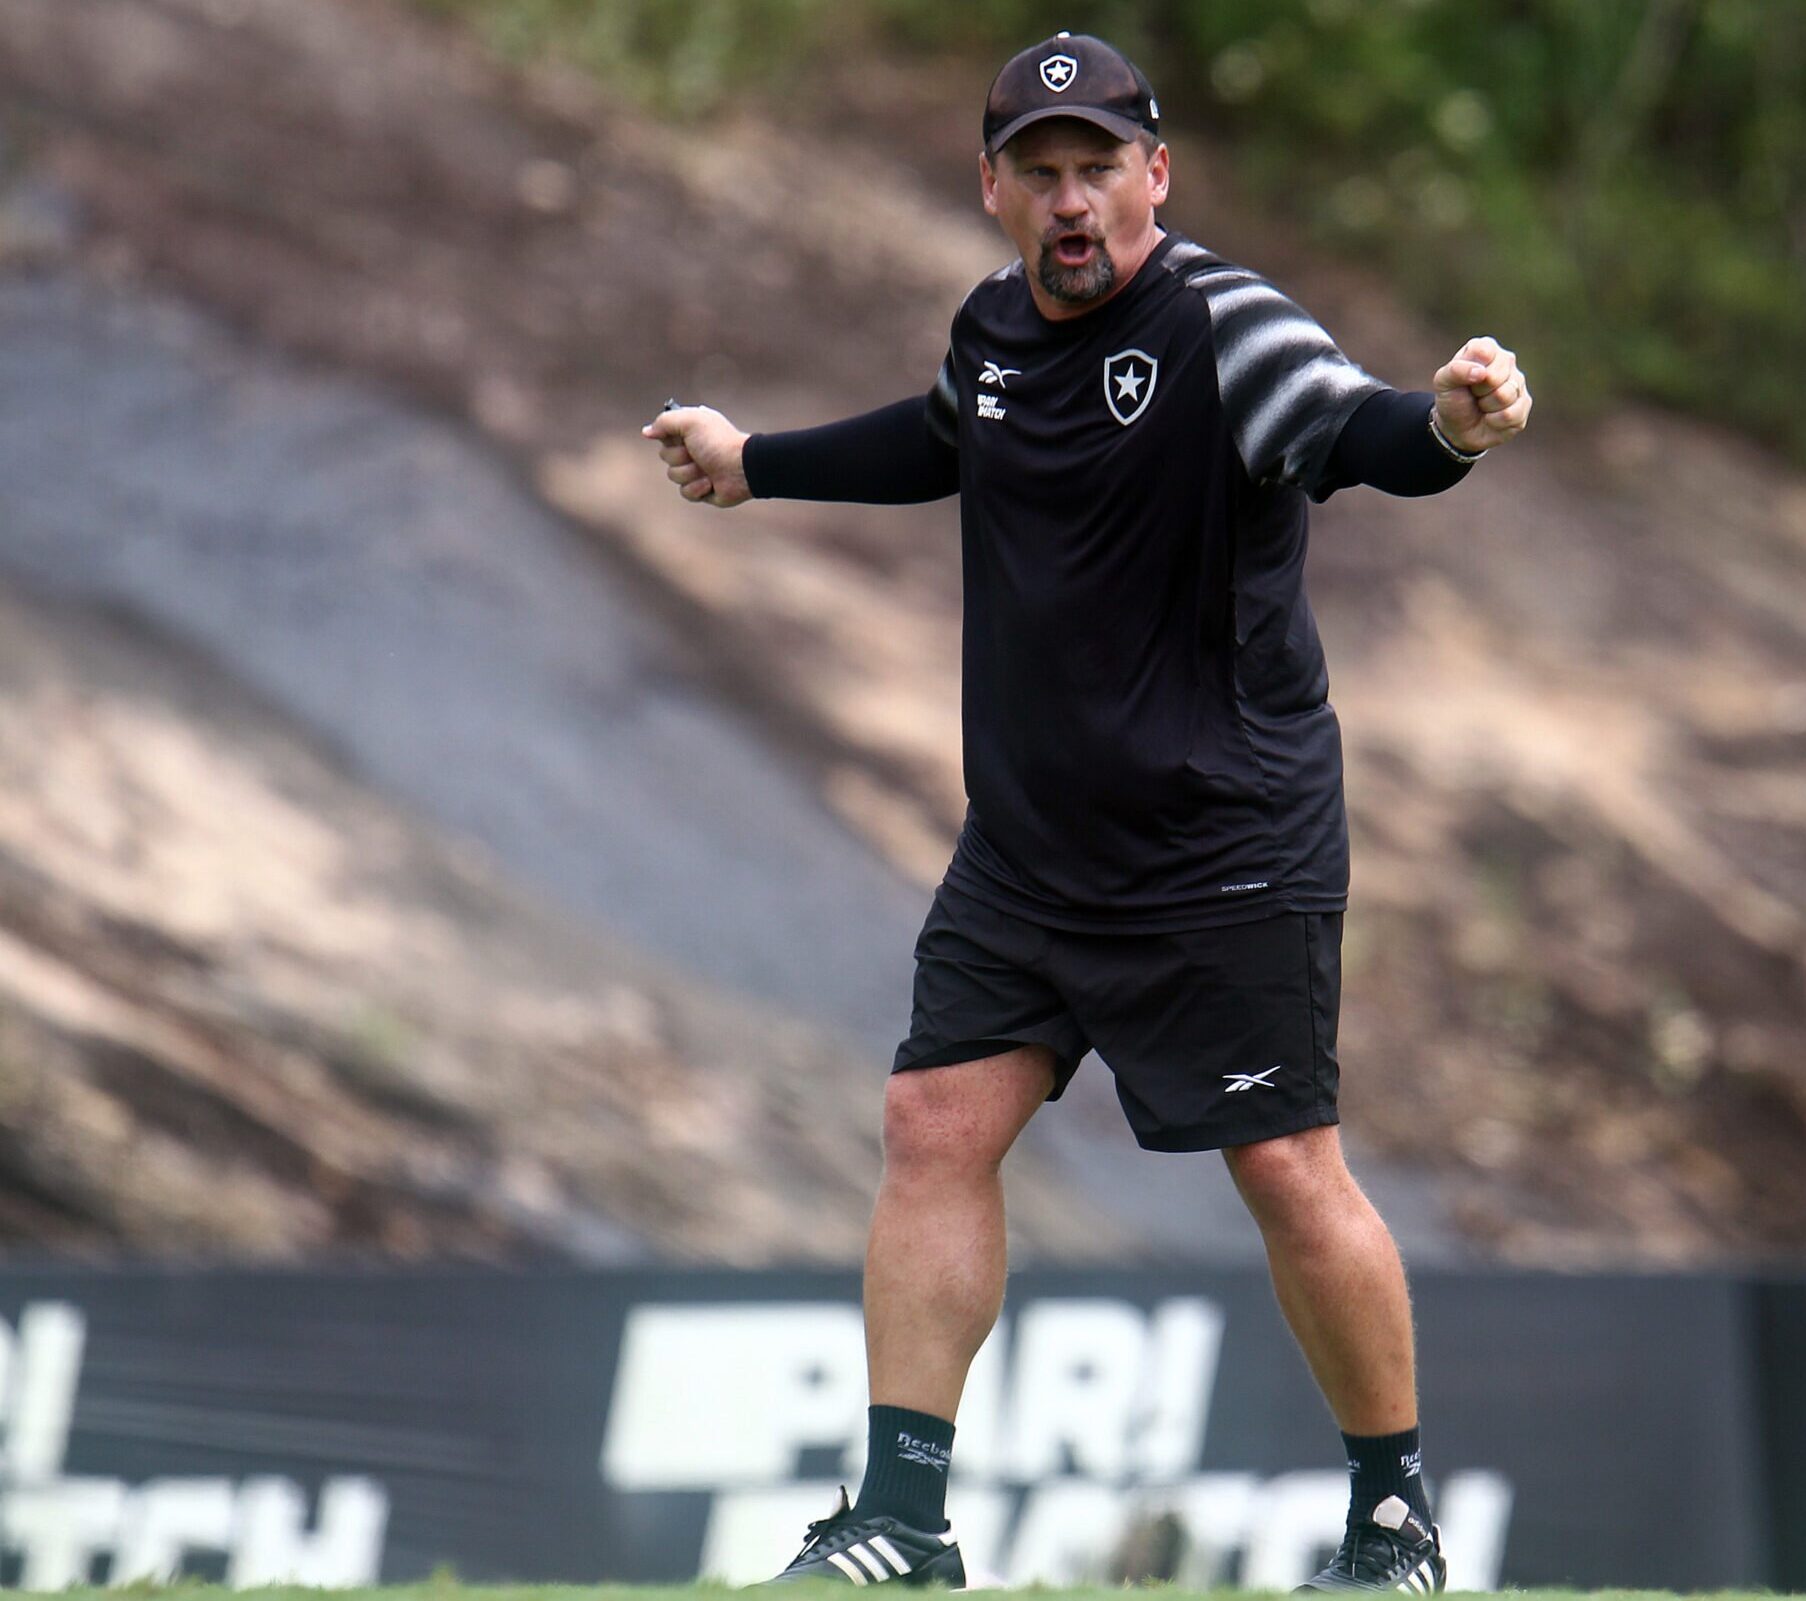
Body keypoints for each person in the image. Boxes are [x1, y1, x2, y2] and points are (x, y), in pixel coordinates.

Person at [643, 30, 1530, 1595]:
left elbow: (1360, 432)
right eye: (1040, 172)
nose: (1072, 201)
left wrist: (1450, 427)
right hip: (1034, 849)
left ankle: (1393, 1521)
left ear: (1156, 176)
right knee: (933, 1124)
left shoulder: (1224, 326)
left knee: (1283, 1165)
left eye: (1100, 167)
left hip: (1223, 845)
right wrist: (755, 463)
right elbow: (940, 437)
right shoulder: (993, 331)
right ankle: (902, 1521)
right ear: (990, 188)